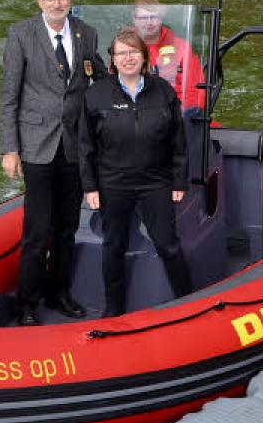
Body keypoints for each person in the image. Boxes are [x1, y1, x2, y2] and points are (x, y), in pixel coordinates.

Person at [0, 0, 107, 326]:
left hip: (75, 145)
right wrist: (10, 149)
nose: (57, 4)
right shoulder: (20, 35)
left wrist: (140, 80)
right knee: (37, 230)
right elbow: (9, 98)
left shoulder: (86, 33)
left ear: (70, 0)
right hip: (36, 146)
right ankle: (26, 304)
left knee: (66, 227)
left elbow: (100, 78)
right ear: (39, 1)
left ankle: (59, 293)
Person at [79, 27, 193, 317]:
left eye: (134, 52)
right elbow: (86, 145)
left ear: (144, 57)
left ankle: (188, 302)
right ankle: (113, 309)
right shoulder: (96, 95)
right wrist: (90, 187)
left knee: (168, 245)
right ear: (113, 61)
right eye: (121, 53)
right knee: (113, 246)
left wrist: (179, 179)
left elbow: (177, 141)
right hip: (112, 183)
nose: (128, 58)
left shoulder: (163, 91)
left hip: (155, 182)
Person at [131, 0, 206, 111]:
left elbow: (196, 89)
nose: (149, 22)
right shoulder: (123, 48)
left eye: (154, 17)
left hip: (175, 112)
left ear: (161, 19)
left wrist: (178, 111)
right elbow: (114, 86)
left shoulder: (182, 47)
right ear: (134, 19)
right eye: (143, 18)